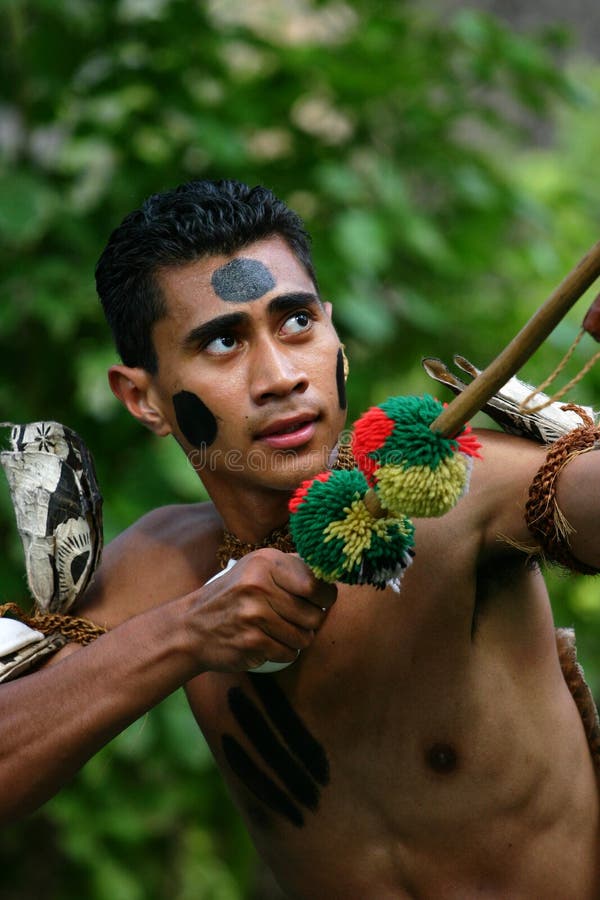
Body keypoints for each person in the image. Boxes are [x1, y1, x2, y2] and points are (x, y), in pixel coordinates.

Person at [2, 178, 600, 897]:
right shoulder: (162, 567)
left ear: (335, 333)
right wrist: (187, 634)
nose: (281, 377)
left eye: (295, 324)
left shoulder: (450, 484)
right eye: (223, 342)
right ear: (145, 398)